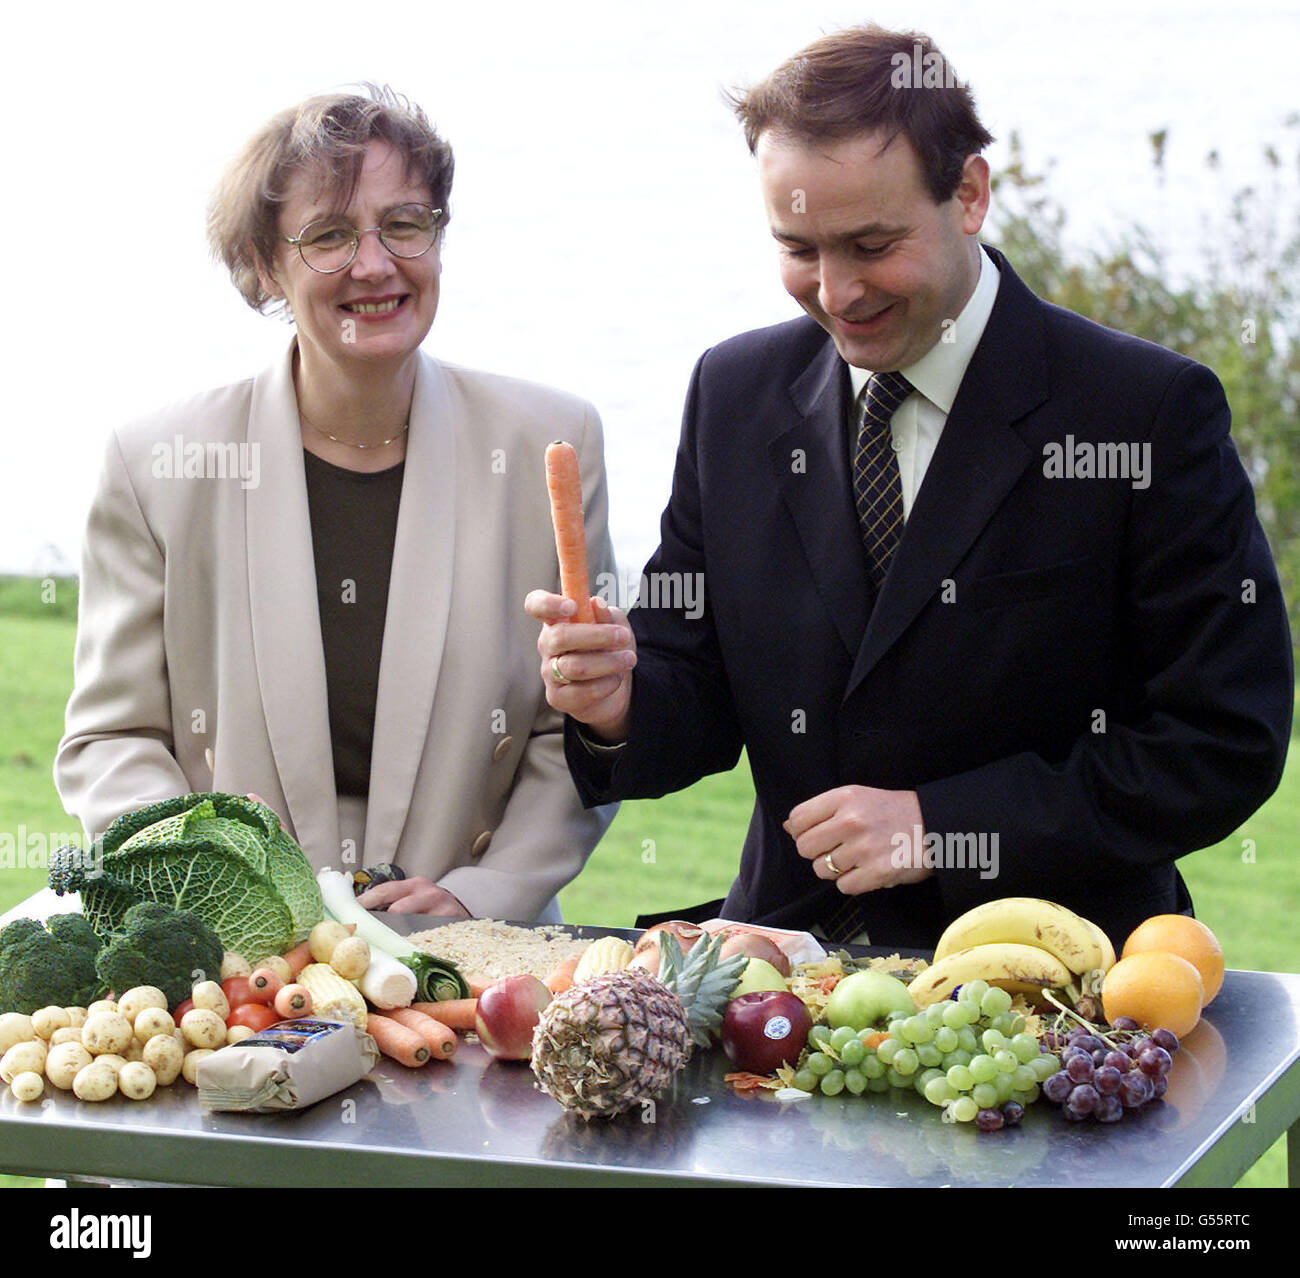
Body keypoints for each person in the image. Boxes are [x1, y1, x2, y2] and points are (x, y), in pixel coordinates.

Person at [526, 26, 1293, 952]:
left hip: (1058, 986)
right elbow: (695, 697)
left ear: (968, 194)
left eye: (871, 244)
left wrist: (942, 827)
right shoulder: (732, 393)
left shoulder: (1145, 410)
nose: (838, 292)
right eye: (799, 249)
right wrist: (618, 703)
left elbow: (1221, 741)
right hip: (776, 973)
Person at [55, 85, 617, 924]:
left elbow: (571, 731)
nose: (374, 264)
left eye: (405, 223)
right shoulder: (157, 464)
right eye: (328, 236)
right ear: (261, 265)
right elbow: (114, 740)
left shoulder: (551, 441)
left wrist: (478, 896)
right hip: (237, 964)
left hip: (474, 959)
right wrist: (217, 892)